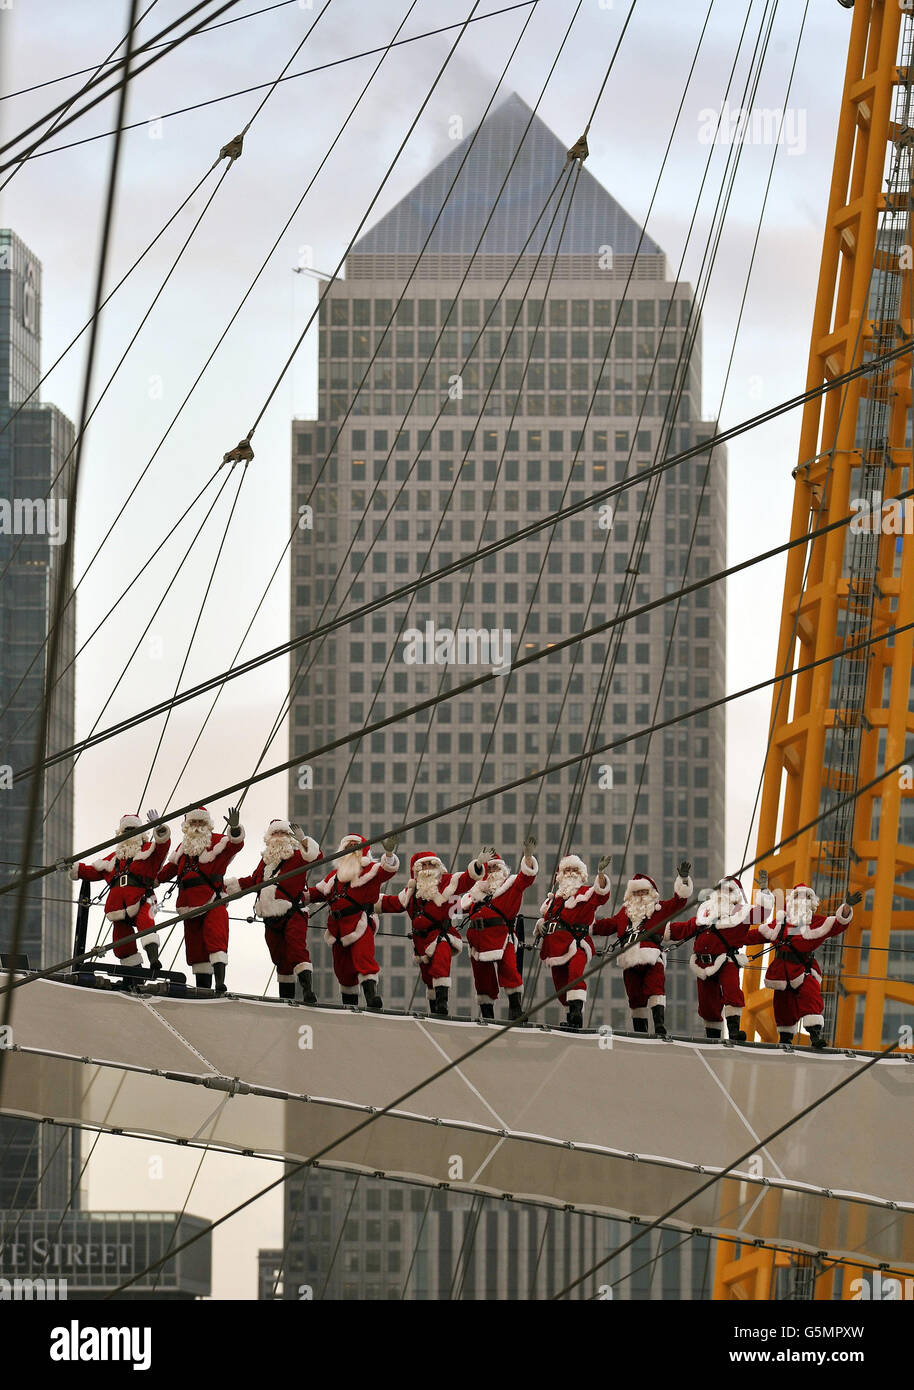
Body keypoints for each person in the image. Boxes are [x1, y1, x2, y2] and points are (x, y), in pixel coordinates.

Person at [376, 848, 492, 1017]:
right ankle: (435, 1009)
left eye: (431, 863)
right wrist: (366, 902)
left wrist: (478, 865)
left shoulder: (447, 882)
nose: (428, 867)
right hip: (420, 941)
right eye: (424, 865)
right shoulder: (411, 891)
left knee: (441, 966)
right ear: (416, 869)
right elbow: (391, 903)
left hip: (441, 936)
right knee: (428, 977)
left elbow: (466, 880)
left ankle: (442, 1004)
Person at [666, 873, 775, 1040]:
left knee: (732, 993)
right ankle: (713, 1036)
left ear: (736, 894)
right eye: (722, 889)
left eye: (729, 889)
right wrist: (660, 932)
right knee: (707, 1003)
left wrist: (764, 892)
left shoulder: (742, 913)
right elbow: (686, 927)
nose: (724, 892)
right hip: (702, 964)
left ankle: (734, 1031)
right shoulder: (706, 912)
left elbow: (762, 914)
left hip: (726, 961)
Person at [225, 820, 321, 1003]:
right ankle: (286, 998)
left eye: (283, 834)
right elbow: (254, 881)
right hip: (270, 917)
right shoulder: (265, 861)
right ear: (269, 838)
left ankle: (308, 990)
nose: (279, 837)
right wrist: (225, 888)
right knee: (279, 957)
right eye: (275, 834)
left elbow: (315, 856)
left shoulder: (298, 855)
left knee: (297, 949)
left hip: (293, 912)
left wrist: (304, 841)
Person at [593, 861, 692, 1037]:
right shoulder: (624, 913)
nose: (639, 895)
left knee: (656, 988)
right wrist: (586, 924)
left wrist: (683, 880)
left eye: (643, 892)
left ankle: (659, 1024)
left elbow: (679, 902)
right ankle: (640, 1031)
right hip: (629, 959)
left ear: (651, 893)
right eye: (636, 892)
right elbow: (607, 926)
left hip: (652, 956)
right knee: (635, 996)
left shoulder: (658, 909)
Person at [758, 883, 860, 1048]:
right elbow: (756, 935)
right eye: (798, 896)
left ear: (811, 901)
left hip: (802, 968)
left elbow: (837, 924)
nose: (801, 900)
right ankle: (785, 1039)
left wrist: (847, 907)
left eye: (806, 897)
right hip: (781, 970)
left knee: (811, 997)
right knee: (783, 1005)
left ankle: (815, 1036)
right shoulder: (780, 923)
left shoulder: (816, 922)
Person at [156, 805, 244, 995]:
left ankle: (220, 983)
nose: (197, 826)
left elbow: (234, 845)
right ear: (187, 826)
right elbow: (165, 873)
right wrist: (147, 880)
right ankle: (202, 989)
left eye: (200, 822)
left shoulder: (219, 842)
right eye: (193, 822)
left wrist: (235, 830)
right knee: (196, 949)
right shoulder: (182, 849)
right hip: (187, 903)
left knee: (216, 939)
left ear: (208, 825)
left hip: (213, 899)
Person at [70, 810, 170, 972]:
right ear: (120, 833)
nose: (130, 834)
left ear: (141, 833)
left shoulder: (148, 851)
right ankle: (133, 974)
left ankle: (154, 960)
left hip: (142, 899)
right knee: (121, 940)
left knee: (146, 923)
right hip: (118, 906)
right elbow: (93, 871)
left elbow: (162, 848)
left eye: (133, 830)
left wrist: (159, 828)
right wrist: (74, 867)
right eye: (126, 831)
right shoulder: (114, 858)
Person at [311, 833, 399, 1009]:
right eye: (348, 845)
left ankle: (371, 997)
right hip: (336, 927)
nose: (351, 848)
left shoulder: (371, 870)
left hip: (360, 922)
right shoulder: (334, 876)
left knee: (363, 957)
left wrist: (388, 855)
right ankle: (349, 1005)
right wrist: (296, 895)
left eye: (355, 845)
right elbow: (316, 893)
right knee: (342, 969)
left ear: (363, 851)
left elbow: (387, 871)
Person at [459, 837, 538, 1021]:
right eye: (490, 868)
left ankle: (515, 1009)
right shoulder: (474, 894)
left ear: (503, 871)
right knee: (483, 978)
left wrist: (527, 858)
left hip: (502, 936)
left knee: (509, 970)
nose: (493, 871)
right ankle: (487, 1014)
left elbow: (525, 879)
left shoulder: (510, 886)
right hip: (477, 939)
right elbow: (454, 909)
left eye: (496, 868)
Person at [533, 854, 612, 1030]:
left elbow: (601, 896)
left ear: (581, 874)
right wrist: (541, 924)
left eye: (574, 870)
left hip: (577, 944)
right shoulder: (553, 900)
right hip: (555, 947)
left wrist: (600, 875)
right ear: (560, 874)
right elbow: (547, 917)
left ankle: (577, 1014)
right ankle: (571, 1015)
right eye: (566, 870)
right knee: (560, 985)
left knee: (575, 975)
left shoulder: (586, 893)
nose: (570, 873)